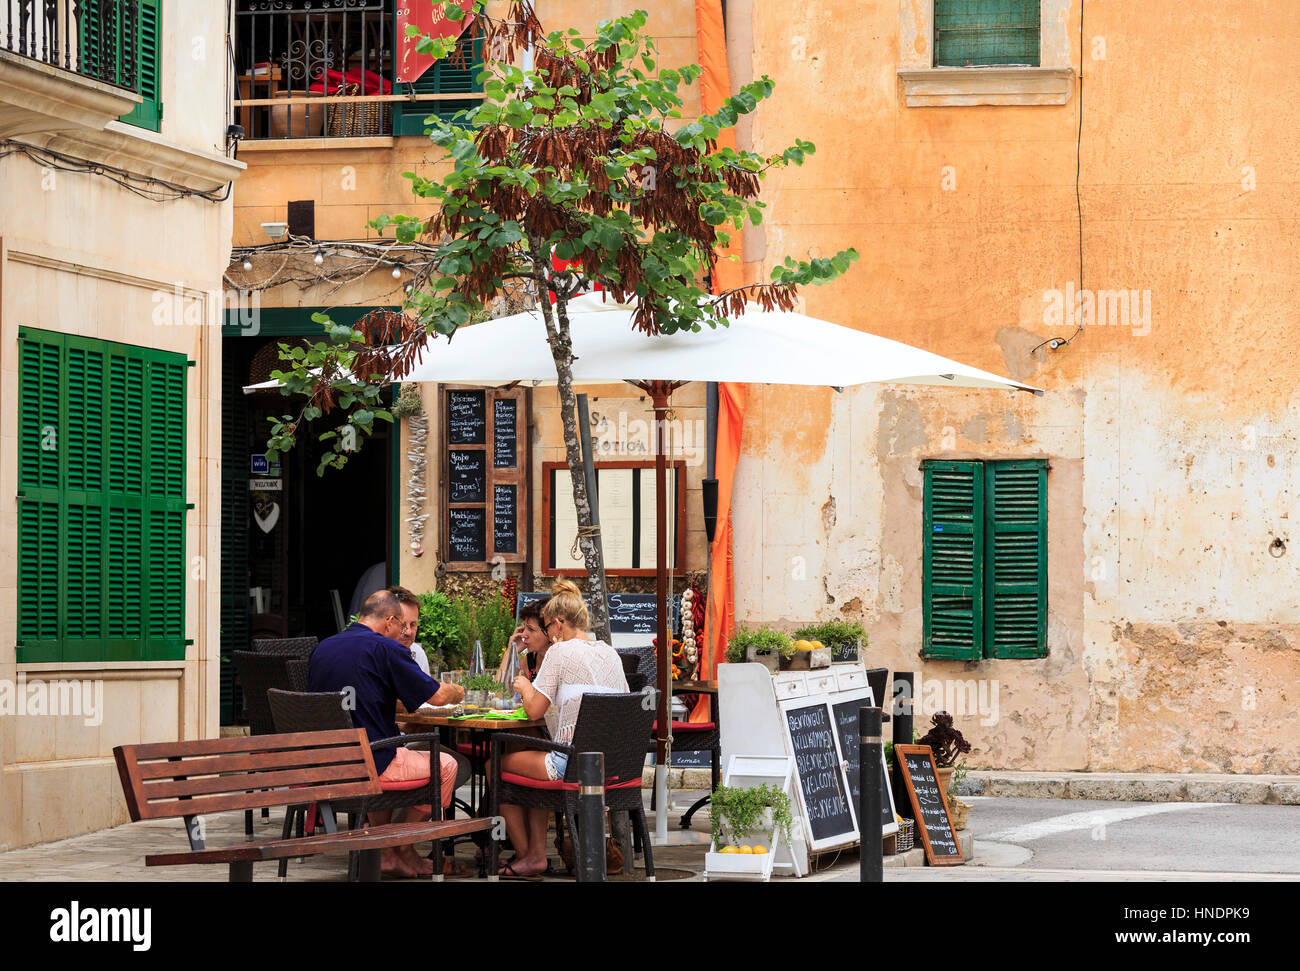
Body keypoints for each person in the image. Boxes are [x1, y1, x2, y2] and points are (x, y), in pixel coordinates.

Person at [309, 588, 466, 879]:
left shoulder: (323, 648)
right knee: (448, 766)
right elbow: (439, 697)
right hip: (369, 764)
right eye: (401, 625)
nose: (404, 632)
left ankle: (383, 852)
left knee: (396, 750)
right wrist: (460, 689)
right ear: (389, 621)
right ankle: (402, 848)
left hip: (328, 765)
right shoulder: (385, 648)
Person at [496, 579, 629, 877]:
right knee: (525, 758)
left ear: (557, 624)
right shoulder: (610, 652)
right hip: (614, 766)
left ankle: (530, 855)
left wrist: (524, 685)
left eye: (546, 626)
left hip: (569, 765)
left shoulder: (559, 652)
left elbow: (533, 709)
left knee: (497, 765)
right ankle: (534, 853)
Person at [509, 599, 550, 680]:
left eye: (531, 629)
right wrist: (511, 651)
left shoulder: (563, 662)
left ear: (549, 630)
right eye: (524, 627)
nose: (523, 635)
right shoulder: (530, 661)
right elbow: (500, 687)